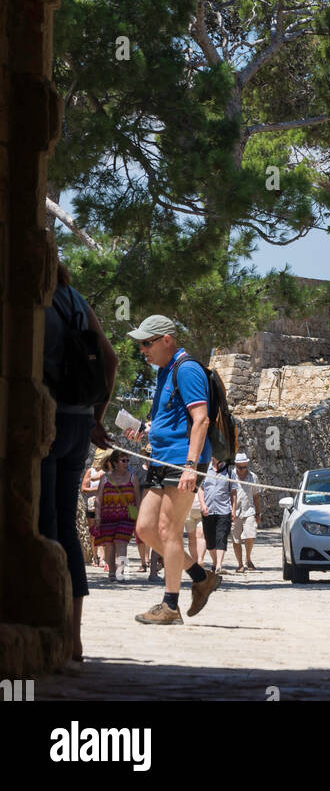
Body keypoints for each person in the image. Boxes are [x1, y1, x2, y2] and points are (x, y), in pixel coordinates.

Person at [39, 262, 118, 663]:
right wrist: (97, 418)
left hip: (45, 418)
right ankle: (74, 638)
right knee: (67, 528)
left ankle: (46, 632)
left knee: (43, 522)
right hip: (79, 421)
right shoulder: (76, 301)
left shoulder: (36, 300)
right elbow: (111, 359)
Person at [126, 315, 220, 625]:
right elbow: (169, 417)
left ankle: (170, 606)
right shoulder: (165, 373)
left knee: (168, 530)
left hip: (181, 462)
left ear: (167, 339)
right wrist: (145, 429)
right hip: (161, 460)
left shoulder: (187, 369)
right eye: (141, 344)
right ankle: (200, 576)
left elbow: (201, 419)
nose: (143, 350)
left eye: (146, 343)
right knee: (145, 530)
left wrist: (191, 467)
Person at [91, 450, 140, 580]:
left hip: (126, 517)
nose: (126, 463)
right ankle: (112, 572)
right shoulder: (105, 478)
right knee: (109, 545)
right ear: (114, 463)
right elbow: (99, 498)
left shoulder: (132, 477)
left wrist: (140, 517)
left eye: (127, 460)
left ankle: (120, 572)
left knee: (121, 542)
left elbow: (138, 499)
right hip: (107, 517)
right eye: (123, 461)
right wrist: (97, 517)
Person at [199, 457, 235, 572]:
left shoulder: (229, 471)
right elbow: (200, 488)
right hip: (208, 509)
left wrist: (233, 510)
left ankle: (219, 564)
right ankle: (215, 562)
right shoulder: (204, 469)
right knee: (210, 540)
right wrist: (202, 504)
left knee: (222, 536)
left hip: (223, 510)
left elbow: (233, 492)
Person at [231, 452, 261, 573]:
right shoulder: (230, 476)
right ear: (236, 465)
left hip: (249, 511)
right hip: (235, 511)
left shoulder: (253, 477)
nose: (243, 470)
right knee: (236, 539)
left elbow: (256, 496)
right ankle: (240, 564)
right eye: (240, 467)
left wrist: (258, 514)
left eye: (245, 467)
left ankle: (248, 559)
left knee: (250, 535)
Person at [82, 453, 109, 570]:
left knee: (104, 530)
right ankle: (95, 556)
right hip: (92, 504)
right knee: (93, 532)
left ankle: (103, 558)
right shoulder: (90, 471)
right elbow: (83, 488)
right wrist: (97, 489)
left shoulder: (107, 471)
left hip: (105, 505)